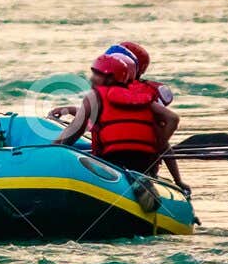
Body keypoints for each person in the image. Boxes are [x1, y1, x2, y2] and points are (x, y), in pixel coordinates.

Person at [53, 54, 188, 197]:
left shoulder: (94, 96)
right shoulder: (140, 98)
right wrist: (156, 147)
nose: (92, 78)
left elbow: (75, 129)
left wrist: (53, 149)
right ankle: (141, 183)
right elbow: (172, 118)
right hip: (142, 164)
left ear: (111, 78)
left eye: (97, 74)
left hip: (111, 162)